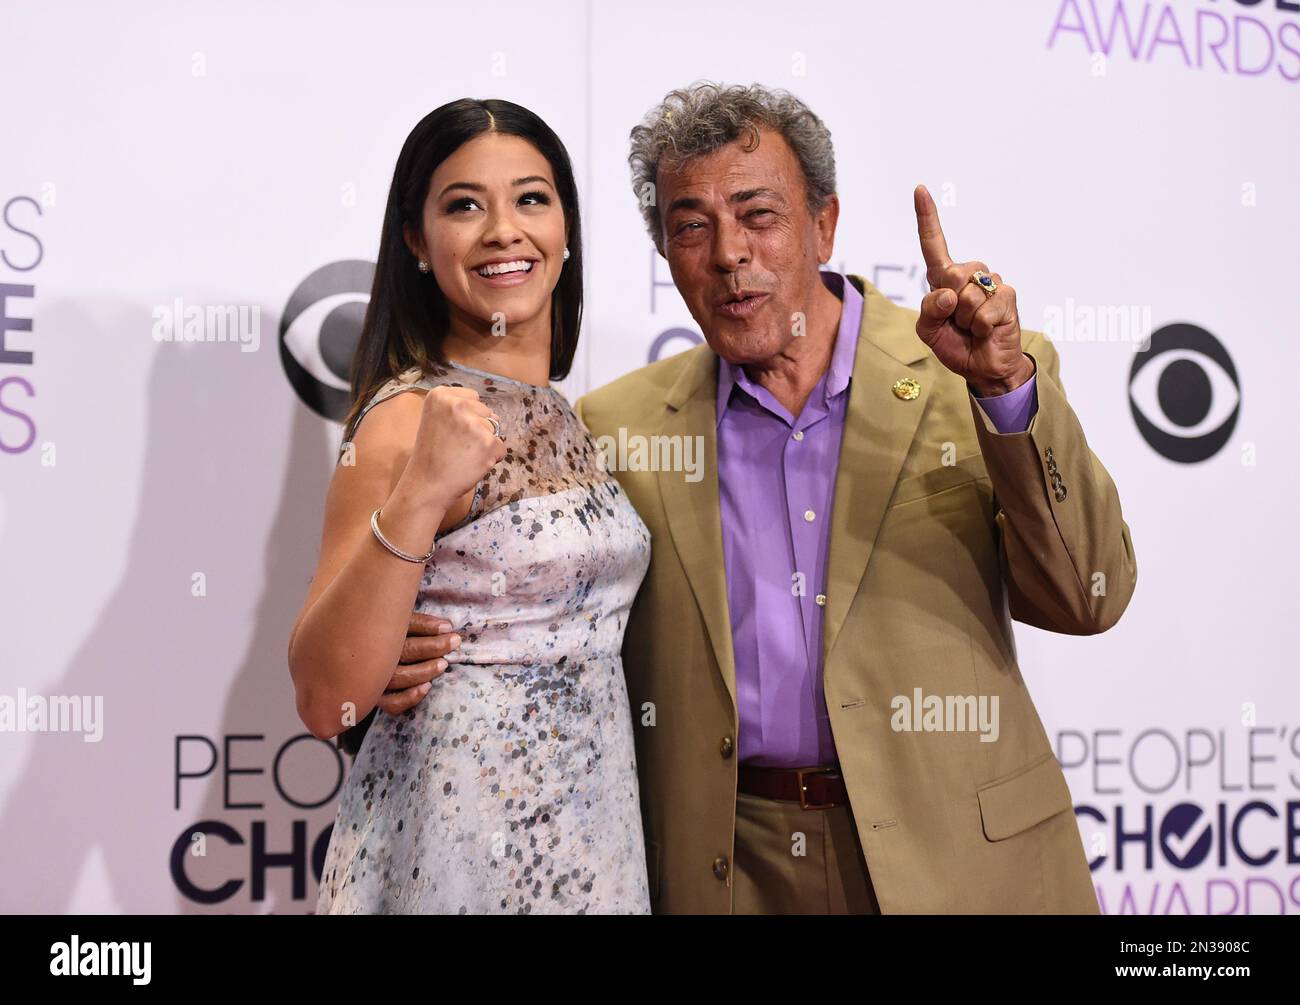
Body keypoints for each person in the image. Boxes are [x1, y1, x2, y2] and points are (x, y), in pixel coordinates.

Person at [395, 81, 1138, 914]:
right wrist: (412, 658)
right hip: (729, 867)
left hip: (958, 860)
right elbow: (548, 622)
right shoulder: (618, 427)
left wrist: (1005, 390)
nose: (727, 255)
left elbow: (1088, 596)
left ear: (824, 224)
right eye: (691, 227)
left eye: (759, 215)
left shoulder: (968, 370)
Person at [288, 98, 651, 915]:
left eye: (531, 198)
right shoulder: (406, 417)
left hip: (593, 839)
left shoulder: (563, 411)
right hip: (452, 848)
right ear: (416, 240)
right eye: (463, 205)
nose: (502, 231)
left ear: (566, 228)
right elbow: (325, 699)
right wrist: (419, 493)